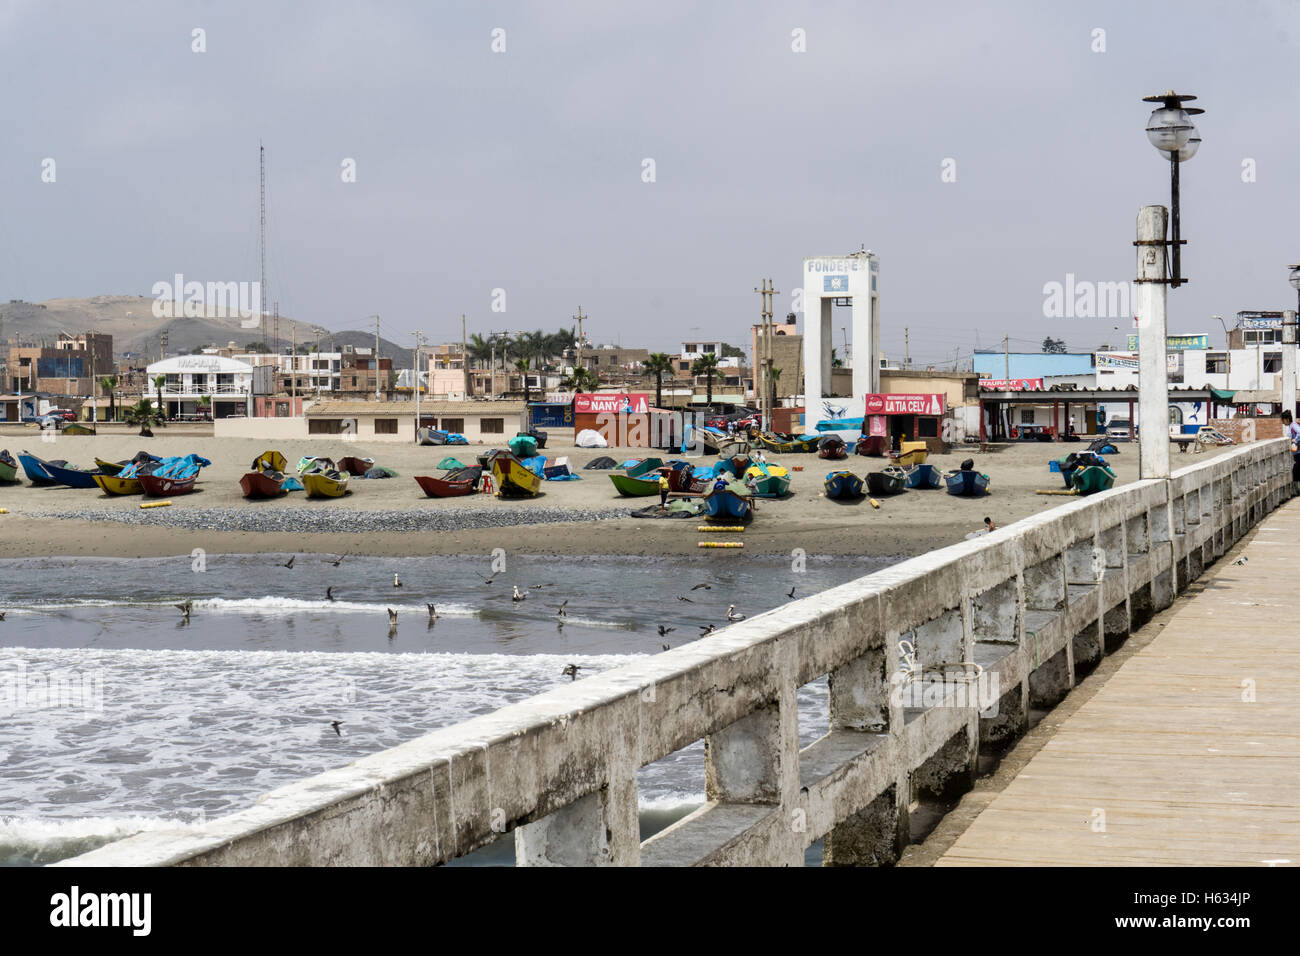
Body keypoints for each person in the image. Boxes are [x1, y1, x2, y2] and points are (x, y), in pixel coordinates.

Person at [1284, 410, 1300, 483]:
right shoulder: (1292, 425)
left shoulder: (1293, 425)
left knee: (1296, 470)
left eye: (1283, 420)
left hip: (1298, 452)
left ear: (1287, 419)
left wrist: (1295, 441)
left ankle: (1296, 489)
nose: (1282, 422)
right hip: (1297, 452)